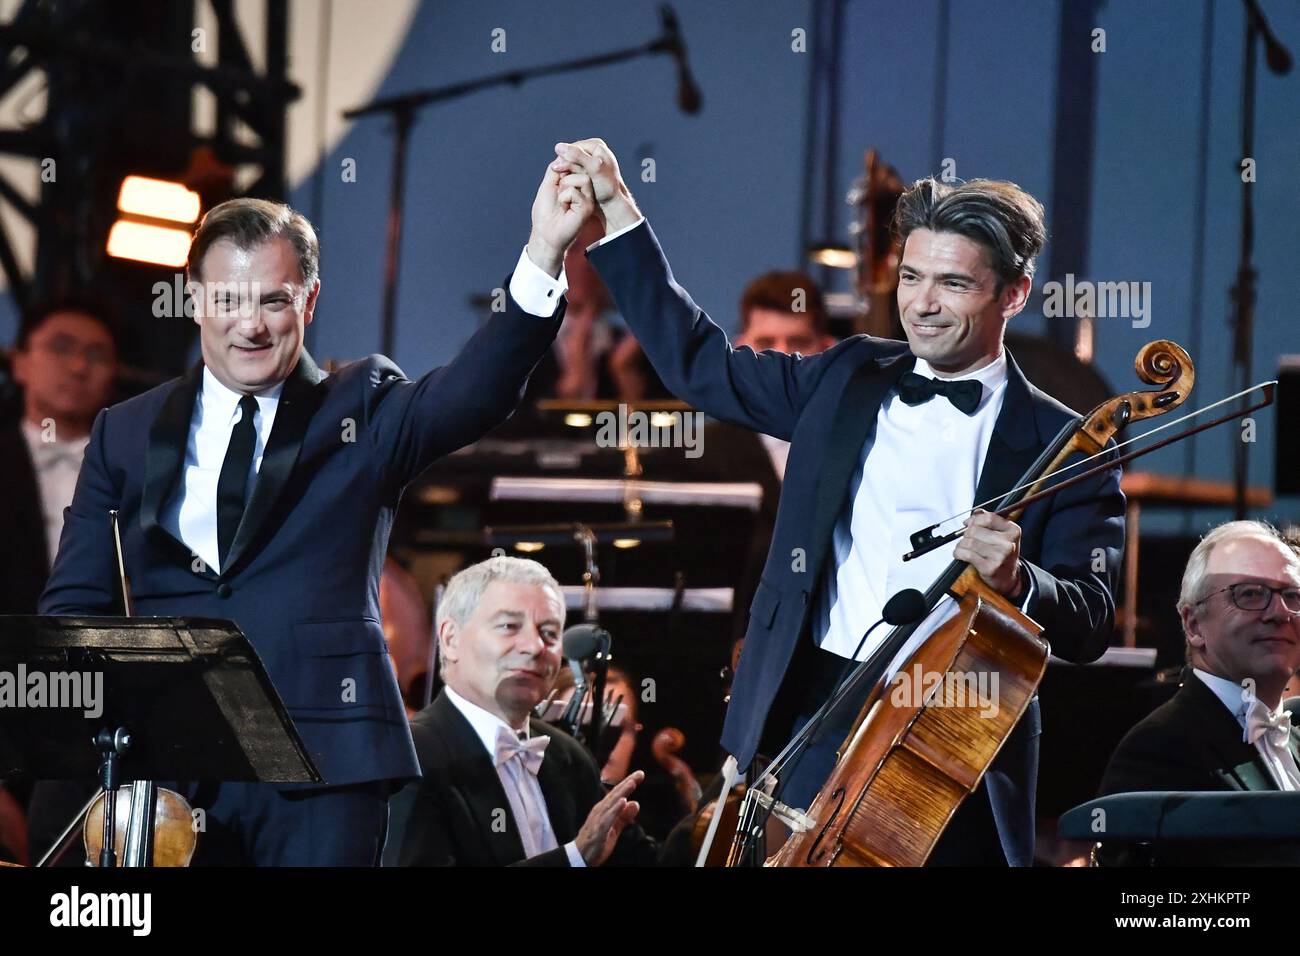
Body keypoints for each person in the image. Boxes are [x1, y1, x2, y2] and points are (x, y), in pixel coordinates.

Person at [552, 139, 1124, 866]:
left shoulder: (1065, 444)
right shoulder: (849, 374)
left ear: (1012, 293)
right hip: (810, 708)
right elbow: (701, 367)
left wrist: (1021, 582)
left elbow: (1091, 620)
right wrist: (621, 215)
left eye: (952, 284)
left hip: (954, 736)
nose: (921, 303)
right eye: (912, 277)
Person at [37, 162, 597, 866]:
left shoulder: (360, 405)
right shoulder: (125, 430)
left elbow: (475, 392)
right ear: (193, 300)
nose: (250, 323)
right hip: (170, 776)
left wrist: (544, 253)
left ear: (309, 303)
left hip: (324, 767)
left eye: (274, 299)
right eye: (230, 298)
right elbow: (75, 608)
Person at [397, 557, 657, 866]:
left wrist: (723, 790)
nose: (534, 646)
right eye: (509, 626)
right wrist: (573, 858)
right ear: (451, 640)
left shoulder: (568, 755)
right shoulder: (408, 757)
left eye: (549, 633)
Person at [1098, 521, 1300, 865]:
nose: (1280, 613)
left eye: (1293, 596)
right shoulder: (1157, 749)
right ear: (1193, 626)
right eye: (1250, 593)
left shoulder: (1294, 734)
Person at [0, 297, 119, 866]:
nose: (79, 366)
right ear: (19, 362)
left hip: (99, 739)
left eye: (96, 355)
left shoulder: (140, 475)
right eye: (61, 348)